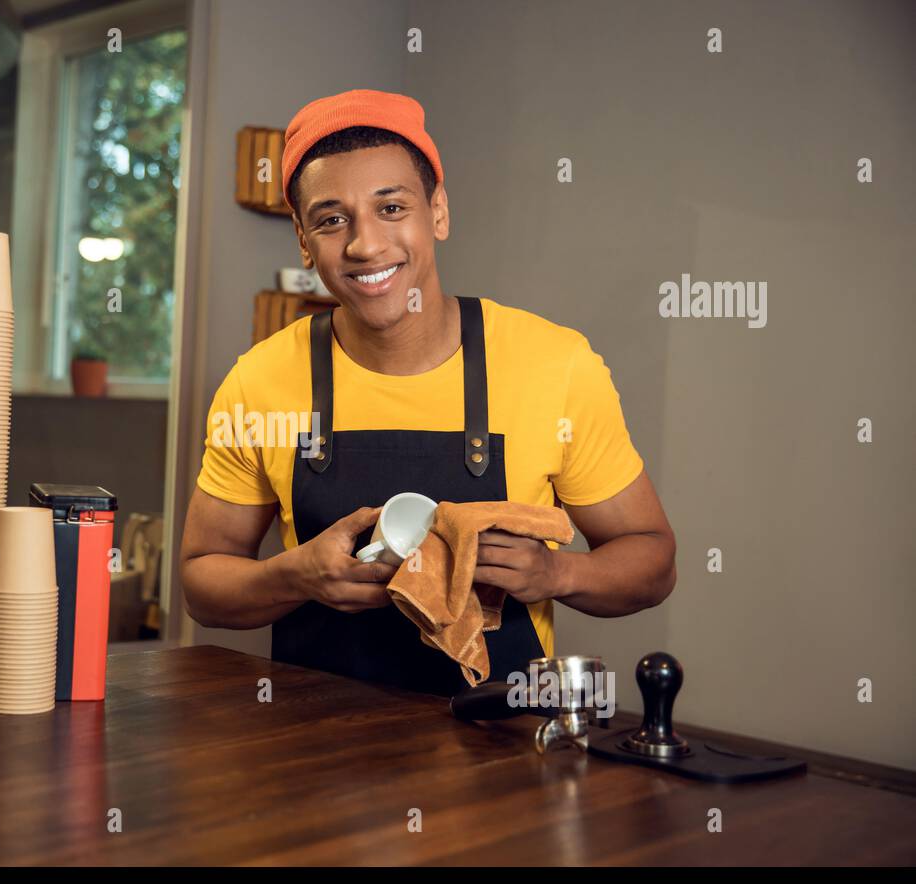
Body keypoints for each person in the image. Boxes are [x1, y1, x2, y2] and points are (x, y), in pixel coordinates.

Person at [180, 89, 676, 696]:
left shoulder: (556, 365)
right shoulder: (259, 383)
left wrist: (556, 572)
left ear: (437, 211)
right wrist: (297, 575)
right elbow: (202, 584)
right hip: (311, 755)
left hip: (503, 751)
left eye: (391, 208)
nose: (364, 245)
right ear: (303, 241)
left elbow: (652, 561)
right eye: (332, 219)